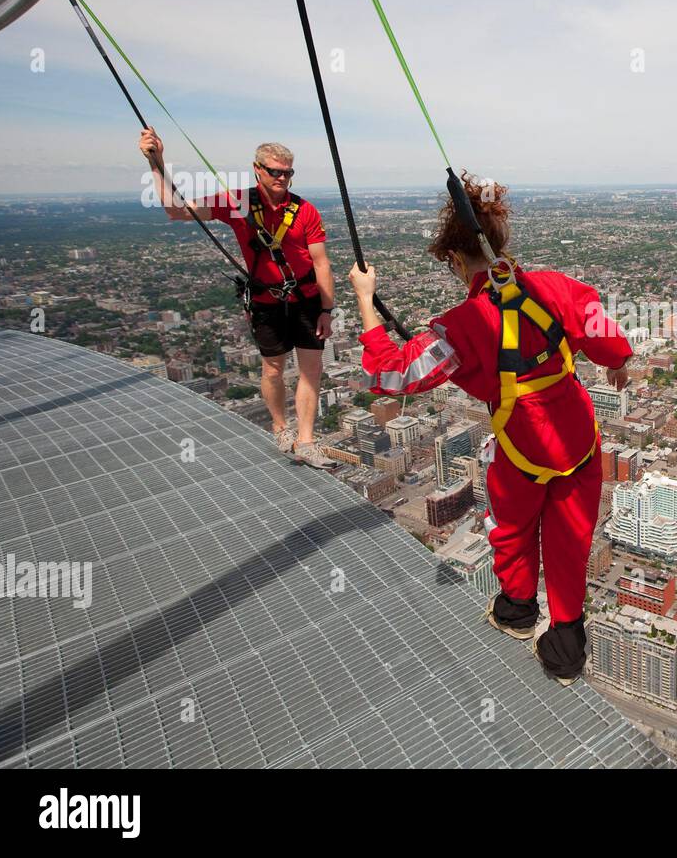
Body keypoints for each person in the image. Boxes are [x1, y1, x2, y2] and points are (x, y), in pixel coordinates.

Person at [348, 173, 632, 685]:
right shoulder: (553, 286)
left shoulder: (462, 324)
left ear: (457, 261)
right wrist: (619, 364)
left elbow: (390, 373)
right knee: (571, 539)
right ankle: (566, 649)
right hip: (577, 442)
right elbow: (601, 332)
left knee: (514, 530)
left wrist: (366, 298)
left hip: (522, 451)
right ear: (501, 244)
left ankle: (518, 613)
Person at [139, 128, 336, 468]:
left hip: (305, 299)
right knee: (273, 369)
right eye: (275, 171)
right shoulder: (237, 203)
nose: (282, 178)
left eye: (288, 172)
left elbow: (321, 261)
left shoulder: (305, 210)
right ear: (257, 169)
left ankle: (306, 440)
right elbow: (177, 210)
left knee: (312, 370)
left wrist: (327, 309)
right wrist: (156, 162)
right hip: (267, 301)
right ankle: (280, 428)